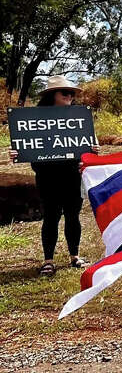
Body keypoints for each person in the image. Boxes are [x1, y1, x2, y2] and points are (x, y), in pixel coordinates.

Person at [7, 75, 95, 276]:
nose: (70, 97)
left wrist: (93, 147)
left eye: (71, 93)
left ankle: (75, 256)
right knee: (52, 217)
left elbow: (87, 145)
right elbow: (26, 144)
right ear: (52, 95)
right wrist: (17, 152)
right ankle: (48, 261)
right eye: (65, 93)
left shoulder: (79, 117)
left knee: (73, 216)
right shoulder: (34, 119)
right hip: (47, 177)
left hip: (73, 175)